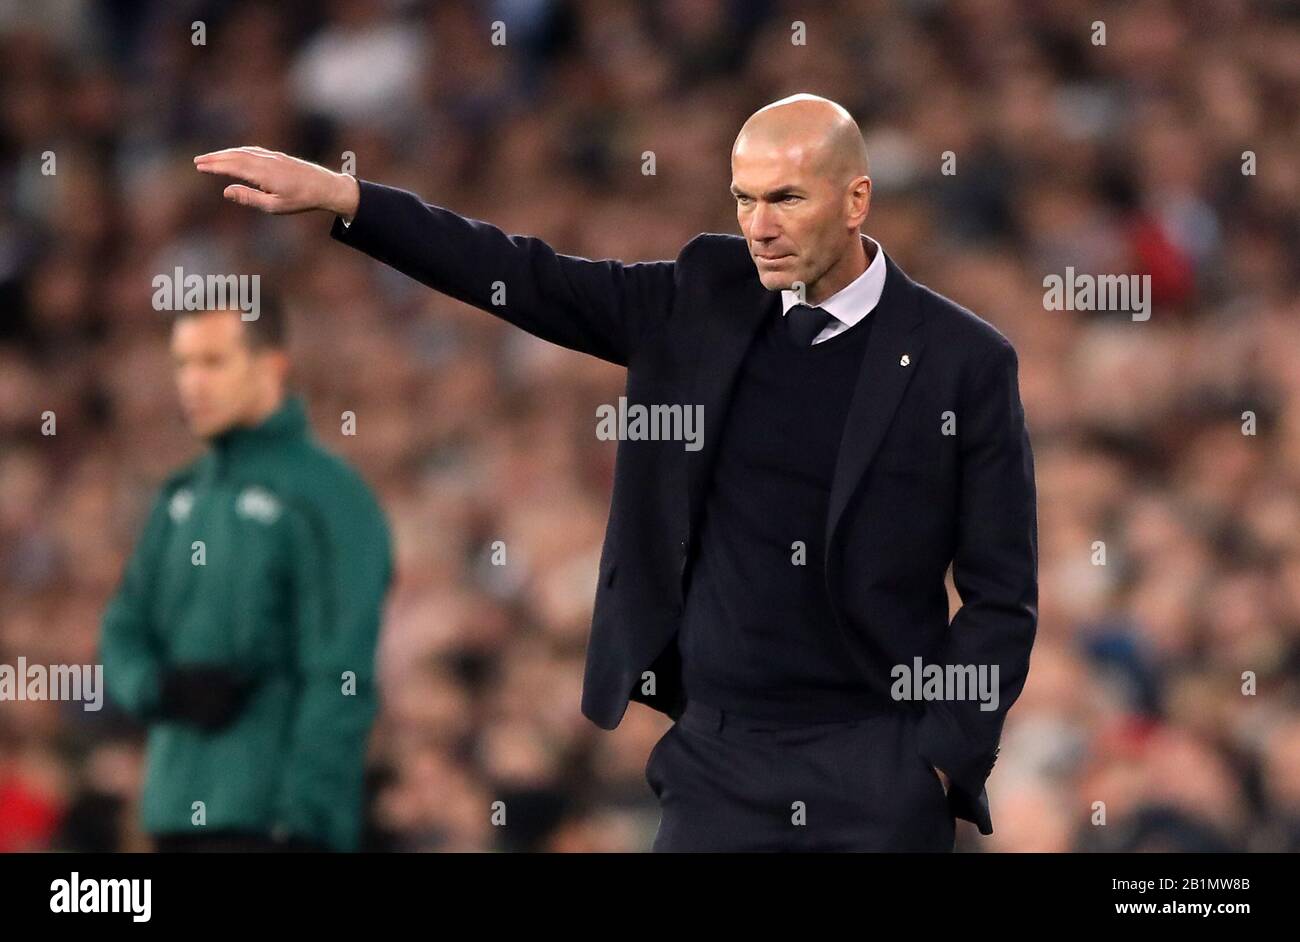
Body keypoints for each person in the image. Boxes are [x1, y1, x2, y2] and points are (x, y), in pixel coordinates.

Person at [193, 92, 1037, 852]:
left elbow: (1002, 592)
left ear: (857, 200)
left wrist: (938, 757)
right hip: (719, 759)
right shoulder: (703, 297)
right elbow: (525, 276)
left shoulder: (961, 362)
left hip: (875, 762)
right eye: (743, 199)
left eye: (786, 198)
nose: (759, 227)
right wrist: (351, 199)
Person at [99, 300, 393, 852]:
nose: (192, 383)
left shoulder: (329, 497)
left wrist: (306, 820)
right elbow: (122, 627)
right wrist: (156, 686)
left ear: (270, 367)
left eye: (213, 362)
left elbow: (340, 672)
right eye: (182, 364)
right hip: (172, 815)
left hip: (272, 819)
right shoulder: (179, 496)